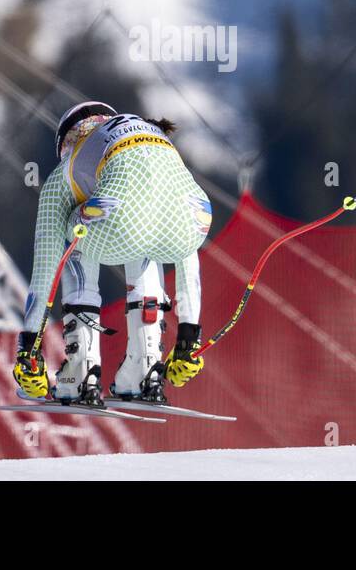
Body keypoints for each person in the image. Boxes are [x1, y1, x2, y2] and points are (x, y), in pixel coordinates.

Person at [13, 101, 212, 405]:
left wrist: (29, 347)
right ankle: (146, 367)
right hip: (194, 223)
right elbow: (188, 254)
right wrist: (189, 337)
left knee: (79, 226)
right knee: (148, 230)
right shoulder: (156, 136)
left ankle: (82, 372)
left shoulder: (67, 168)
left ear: (67, 141)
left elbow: (46, 269)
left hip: (116, 223)